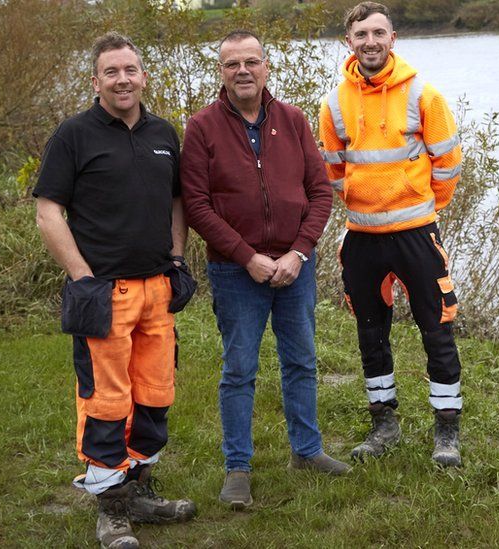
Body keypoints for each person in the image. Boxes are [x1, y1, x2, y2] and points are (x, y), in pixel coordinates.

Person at [34, 32, 197, 549]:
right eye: (112, 72)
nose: (122, 79)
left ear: (143, 75)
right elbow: (48, 212)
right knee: (106, 400)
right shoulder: (73, 135)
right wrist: (83, 276)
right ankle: (111, 508)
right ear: (96, 81)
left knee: (154, 394)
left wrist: (176, 259)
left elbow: (177, 203)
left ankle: (140, 491)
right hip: (103, 292)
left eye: (130, 70)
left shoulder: (164, 133)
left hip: (157, 290)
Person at [181, 29, 349, 510]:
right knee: (239, 370)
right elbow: (196, 205)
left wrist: (298, 252)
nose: (243, 71)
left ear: (266, 66)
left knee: (301, 361)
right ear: (222, 71)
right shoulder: (202, 127)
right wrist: (245, 256)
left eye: (251, 62)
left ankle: (307, 450)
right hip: (238, 273)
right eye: (233, 64)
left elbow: (320, 193)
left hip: (296, 267)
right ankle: (238, 468)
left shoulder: (294, 121)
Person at [319, 2, 465, 467]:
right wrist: (364, 203)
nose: (370, 42)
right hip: (361, 239)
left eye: (378, 33)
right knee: (370, 333)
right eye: (361, 34)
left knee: (436, 330)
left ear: (393, 38)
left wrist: (422, 207)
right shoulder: (334, 102)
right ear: (349, 43)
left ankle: (447, 432)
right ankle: (384, 424)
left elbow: (449, 164)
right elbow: (334, 172)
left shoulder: (424, 94)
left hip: (417, 236)